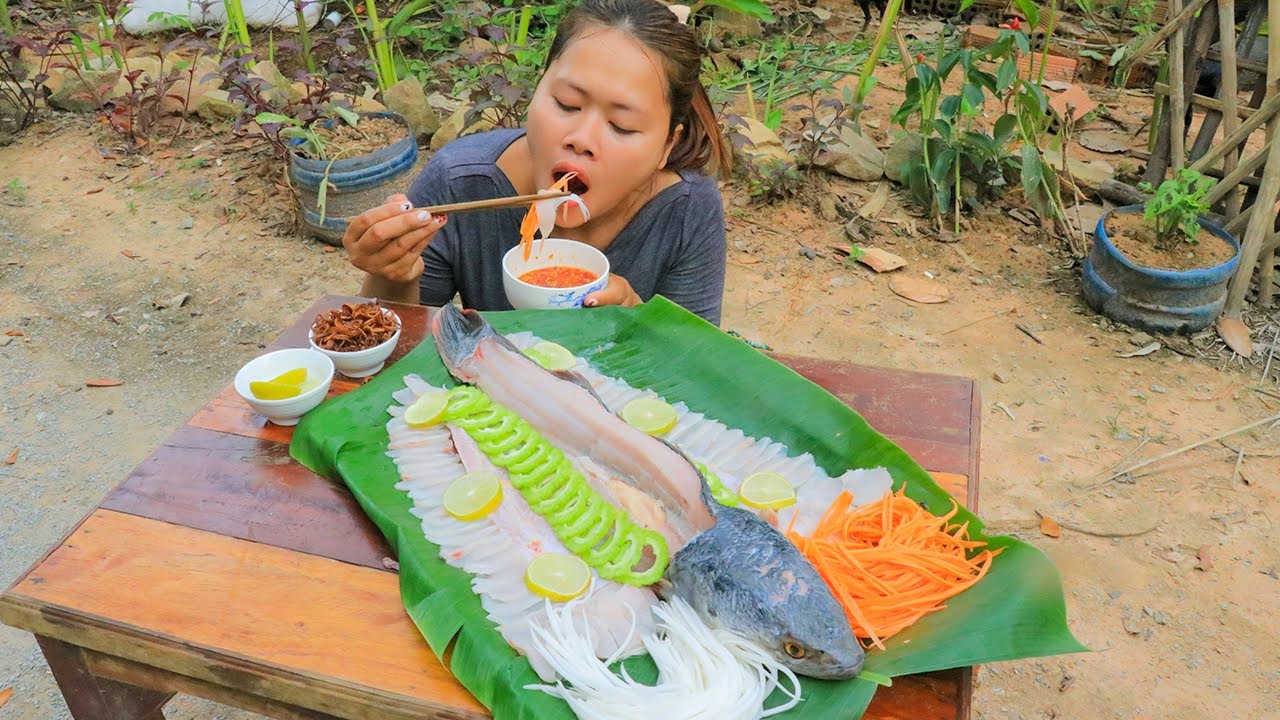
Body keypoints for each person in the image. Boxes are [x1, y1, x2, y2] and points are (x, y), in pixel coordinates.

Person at [341, 0, 731, 325]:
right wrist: (391, 271)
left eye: (622, 125)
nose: (581, 139)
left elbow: (691, 363)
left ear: (667, 144)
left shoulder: (686, 210)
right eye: (566, 104)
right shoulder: (458, 181)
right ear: (538, 88)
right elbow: (395, 340)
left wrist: (633, 317)